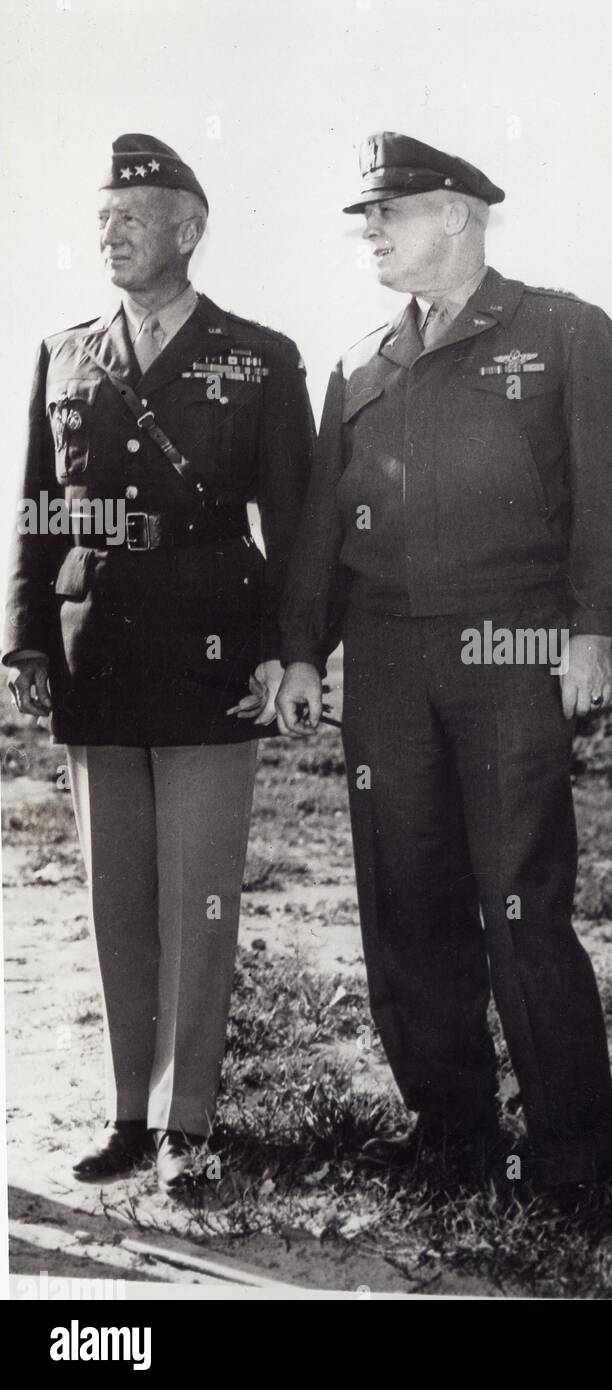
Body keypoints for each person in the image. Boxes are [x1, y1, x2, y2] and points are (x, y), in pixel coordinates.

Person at [276, 132, 612, 1199]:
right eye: (362, 219)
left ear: (452, 214)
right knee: (405, 901)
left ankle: (574, 1155)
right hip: (389, 661)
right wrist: (304, 649)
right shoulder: (359, 362)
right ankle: (449, 1135)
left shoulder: (566, 332)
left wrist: (593, 627)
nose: (368, 235)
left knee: (521, 902)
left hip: (511, 650)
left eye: (383, 216)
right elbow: (320, 527)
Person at [3, 134, 315, 1195]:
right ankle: (127, 1111)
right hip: (97, 658)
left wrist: (287, 649)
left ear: (189, 228)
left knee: (198, 894)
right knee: (116, 895)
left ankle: (191, 1120)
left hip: (210, 651)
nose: (110, 232)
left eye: (132, 215)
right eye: (101, 218)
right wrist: (26, 637)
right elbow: (38, 512)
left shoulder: (260, 357)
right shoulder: (62, 353)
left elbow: (297, 520)